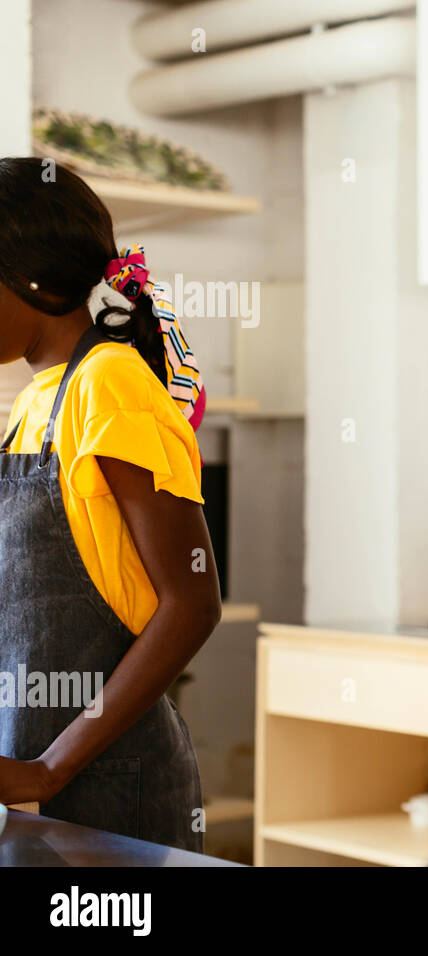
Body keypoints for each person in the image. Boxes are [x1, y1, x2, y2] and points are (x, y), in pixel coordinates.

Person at [0, 157, 220, 852]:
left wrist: (47, 767)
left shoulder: (110, 386)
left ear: (31, 280)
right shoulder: (35, 401)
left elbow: (192, 604)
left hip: (104, 784)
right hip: (37, 775)